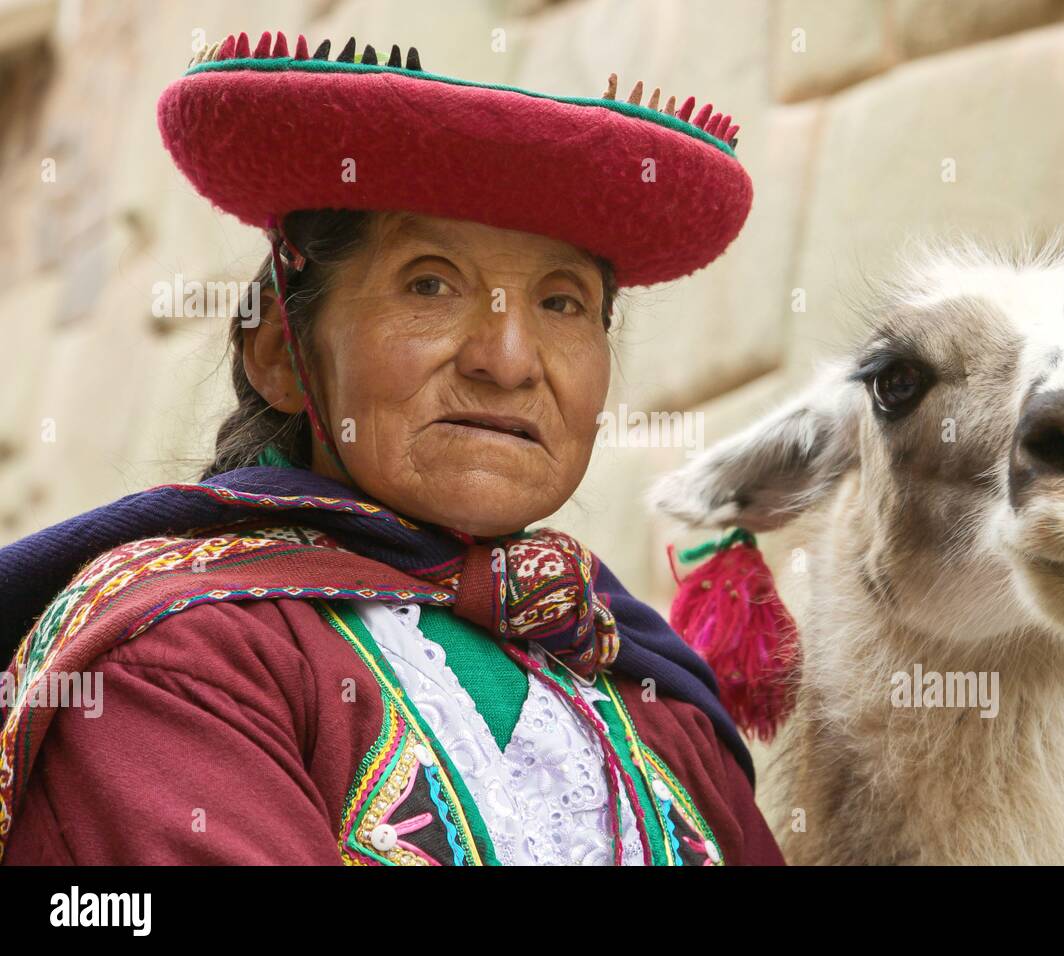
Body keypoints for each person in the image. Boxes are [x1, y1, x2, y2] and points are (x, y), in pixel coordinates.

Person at [0, 30, 782, 866]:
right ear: (277, 352)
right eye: (431, 283)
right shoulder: (180, 661)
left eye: (562, 303)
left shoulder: (654, 702)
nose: (509, 360)